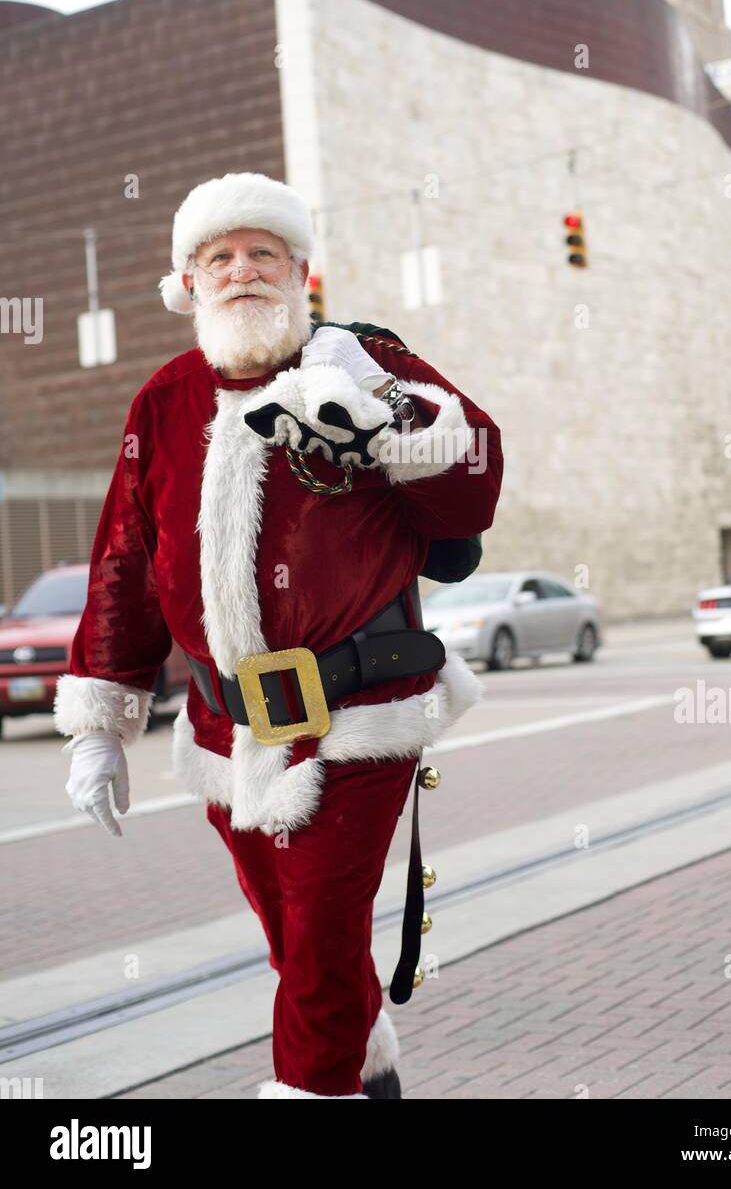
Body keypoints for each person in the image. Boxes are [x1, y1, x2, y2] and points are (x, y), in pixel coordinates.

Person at [56, 171, 504, 1099]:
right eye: (219, 257)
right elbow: (124, 563)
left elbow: (476, 480)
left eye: (264, 253)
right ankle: (368, 1073)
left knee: (321, 941)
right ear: (189, 282)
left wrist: (385, 418)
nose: (242, 270)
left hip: (359, 717)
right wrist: (101, 726)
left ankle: (313, 1090)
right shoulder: (164, 400)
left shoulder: (366, 364)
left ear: (302, 269)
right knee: (294, 940)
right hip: (226, 736)